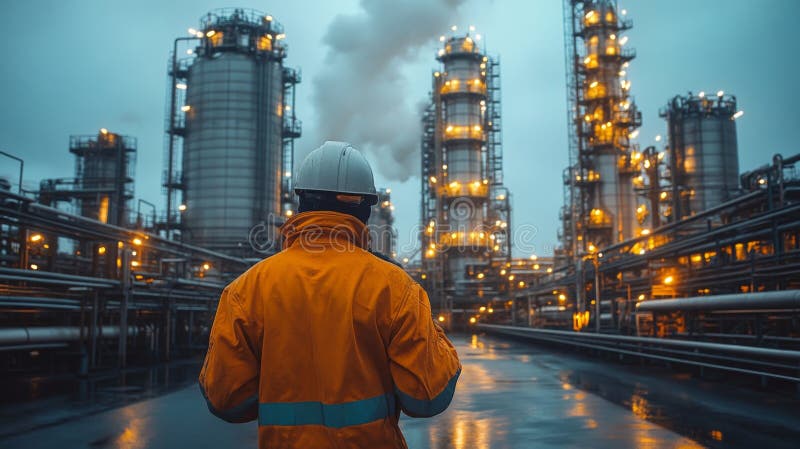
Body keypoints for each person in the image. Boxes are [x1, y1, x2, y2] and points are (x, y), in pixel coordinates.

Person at [199, 141, 461, 448]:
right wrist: (434, 335)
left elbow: (226, 400)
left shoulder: (245, 290)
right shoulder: (395, 287)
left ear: (300, 202)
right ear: (365, 208)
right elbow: (428, 397)